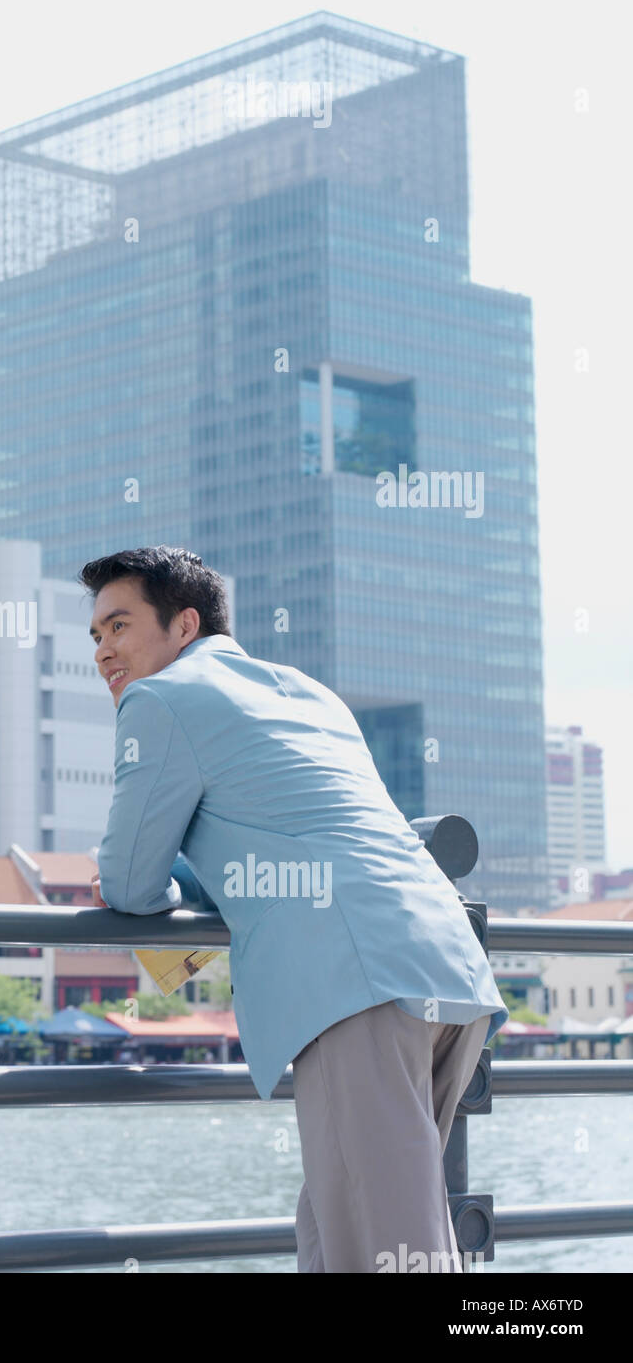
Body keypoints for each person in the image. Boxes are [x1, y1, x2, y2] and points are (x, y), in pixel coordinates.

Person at [84, 546, 506, 1274]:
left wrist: (172, 885)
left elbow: (127, 881)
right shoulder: (307, 693)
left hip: (357, 989)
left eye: (118, 626)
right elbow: (302, 828)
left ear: (184, 625)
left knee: (389, 1254)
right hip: (448, 973)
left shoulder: (160, 700)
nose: (104, 651)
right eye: (95, 636)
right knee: (348, 1230)